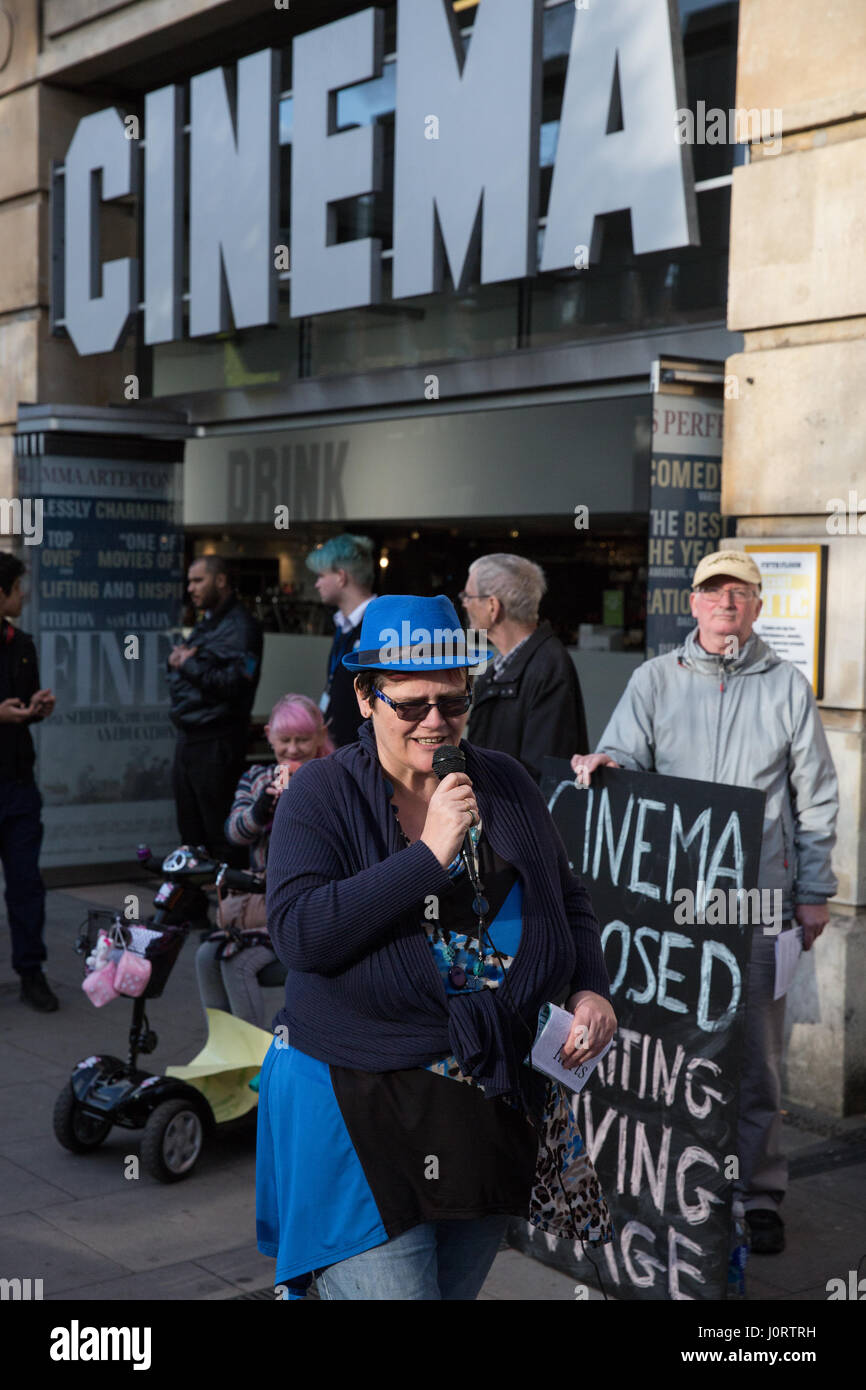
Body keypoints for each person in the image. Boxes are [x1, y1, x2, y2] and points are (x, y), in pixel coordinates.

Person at [257, 593, 616, 1300]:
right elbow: (299, 934)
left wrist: (589, 988)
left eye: (452, 703)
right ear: (366, 697)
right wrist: (427, 855)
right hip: (359, 1102)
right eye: (411, 704)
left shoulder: (505, 780)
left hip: (489, 1103)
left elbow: (564, 898)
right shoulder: (321, 793)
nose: (435, 722)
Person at [572, 549, 839, 1256]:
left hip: (753, 902)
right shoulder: (655, 678)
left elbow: (815, 800)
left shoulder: (787, 687)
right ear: (692, 603)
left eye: (740, 592)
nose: (726, 602)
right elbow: (624, 755)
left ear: (757, 606)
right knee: (665, 1047)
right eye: (713, 591)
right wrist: (606, 764)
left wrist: (814, 892)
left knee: (754, 1056)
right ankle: (670, 1187)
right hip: (669, 908)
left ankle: (758, 1195)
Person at [195, 695, 333, 1029]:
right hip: (260, 899)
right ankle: (225, 1052)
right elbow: (234, 832)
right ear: (269, 735)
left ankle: (256, 1060)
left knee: (235, 964)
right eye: (284, 740)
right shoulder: (256, 778)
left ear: (320, 736)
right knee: (204, 956)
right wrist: (260, 810)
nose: (293, 749)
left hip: (305, 904)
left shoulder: (332, 777)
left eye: (303, 739)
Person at [167, 555, 263, 867]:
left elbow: (235, 685)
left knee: (220, 837)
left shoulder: (241, 627)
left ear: (220, 581)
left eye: (198, 580)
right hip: (190, 737)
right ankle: (193, 914)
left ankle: (231, 911)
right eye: (189, 581)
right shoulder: (209, 622)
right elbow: (180, 671)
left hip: (216, 742)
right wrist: (182, 664)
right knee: (191, 838)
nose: (190, 588)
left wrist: (187, 663)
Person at [462, 553, 589, 782]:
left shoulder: (548, 667)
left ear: (493, 606)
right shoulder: (506, 667)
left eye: (469, 596)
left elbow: (543, 774)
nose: (464, 603)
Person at [0, 554, 58, 1012]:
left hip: (18, 783)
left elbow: (25, 708)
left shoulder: (23, 643)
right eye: (18, 587)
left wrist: (38, 707)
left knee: (26, 884)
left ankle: (31, 972)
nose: (24, 596)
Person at [305, 533, 375, 747]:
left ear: (341, 577)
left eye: (321, 575)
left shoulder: (380, 626)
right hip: (340, 749)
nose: (317, 584)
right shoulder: (343, 626)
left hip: (365, 754)